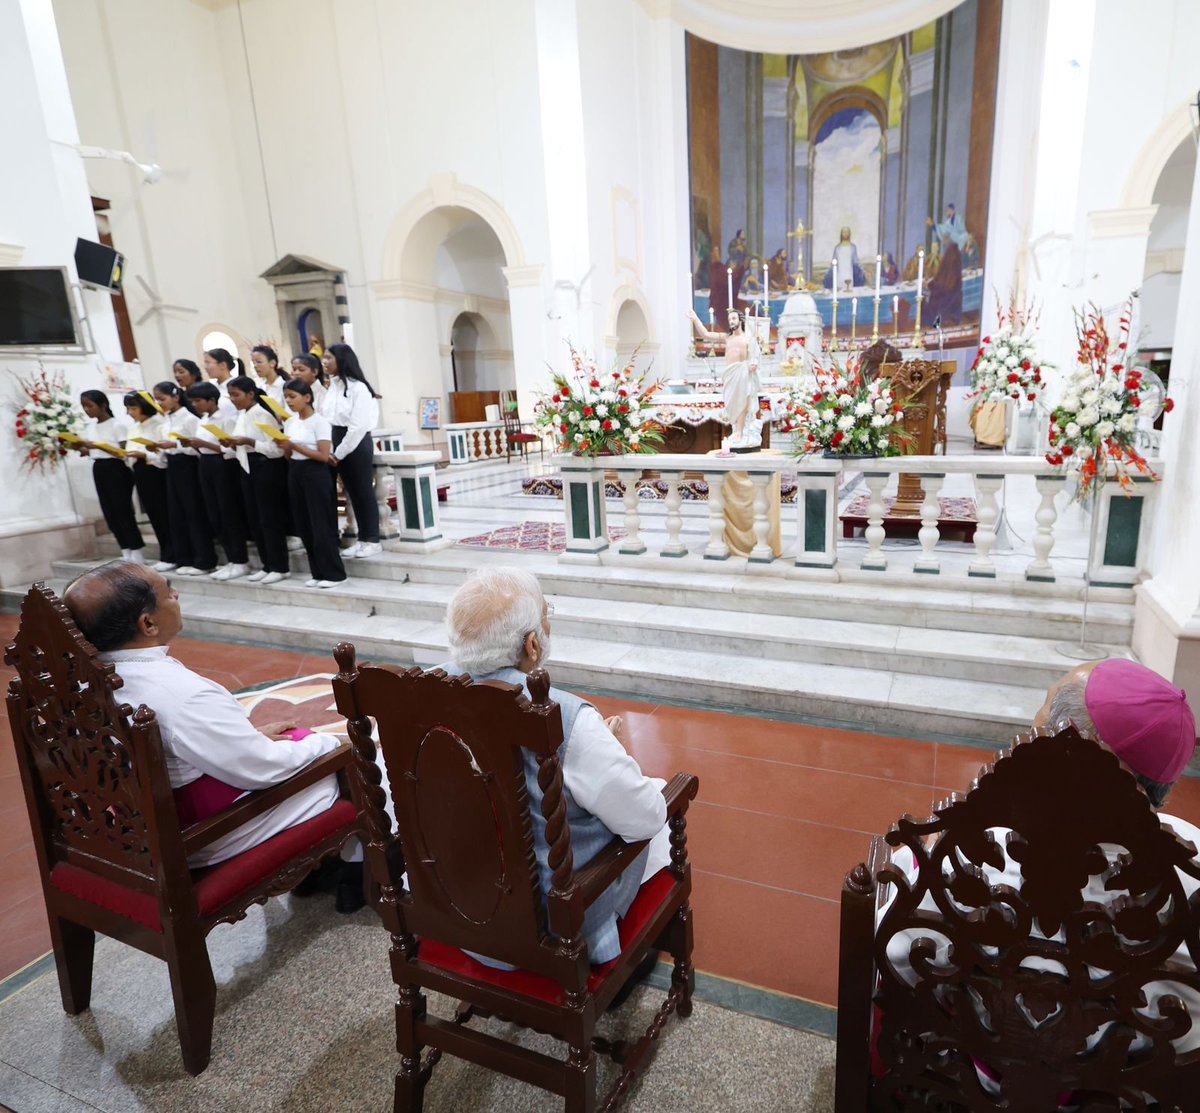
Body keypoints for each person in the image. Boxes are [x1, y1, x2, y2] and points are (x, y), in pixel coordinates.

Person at [880, 659, 1200, 1079]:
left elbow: (889, 958)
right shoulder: (1190, 867)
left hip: (962, 1084)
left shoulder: (965, 848)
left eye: (1040, 721)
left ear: (1060, 745)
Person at [61, 561, 353, 878]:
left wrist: (246, 736)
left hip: (147, 824)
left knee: (292, 738)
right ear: (148, 624)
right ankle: (355, 876)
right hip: (208, 835)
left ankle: (321, 873)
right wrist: (327, 744)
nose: (177, 594)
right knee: (357, 760)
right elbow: (261, 768)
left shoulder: (88, 680)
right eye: (168, 593)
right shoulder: (180, 694)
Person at [440, 567, 669, 969]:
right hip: (551, 931)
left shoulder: (421, 696)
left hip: (462, 911)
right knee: (659, 799)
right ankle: (616, 955)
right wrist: (608, 751)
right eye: (547, 614)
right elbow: (644, 819)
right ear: (532, 645)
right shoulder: (565, 720)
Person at [278, 378, 345, 588]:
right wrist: (285, 447)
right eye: (286, 397)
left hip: (315, 472)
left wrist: (294, 446)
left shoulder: (320, 422)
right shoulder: (290, 422)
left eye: (293, 396)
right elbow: (289, 455)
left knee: (320, 523)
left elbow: (324, 456)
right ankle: (317, 572)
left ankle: (333, 573)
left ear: (307, 398)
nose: (289, 401)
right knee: (304, 522)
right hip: (295, 471)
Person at [183, 382, 252, 581]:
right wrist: (194, 445)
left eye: (198, 401)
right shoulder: (202, 419)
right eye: (192, 401)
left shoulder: (226, 418)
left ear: (211, 400)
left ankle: (240, 560)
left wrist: (203, 444)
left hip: (223, 465)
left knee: (229, 512)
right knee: (215, 514)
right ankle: (230, 559)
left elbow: (230, 449)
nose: (195, 405)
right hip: (205, 464)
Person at [319, 343, 381, 558]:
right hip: (334, 439)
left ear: (342, 360)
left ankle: (371, 539)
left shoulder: (358, 388)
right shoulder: (332, 387)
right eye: (324, 358)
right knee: (350, 495)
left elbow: (358, 426)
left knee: (362, 491)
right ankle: (360, 539)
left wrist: (339, 452)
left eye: (329, 358)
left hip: (355, 443)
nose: (324, 362)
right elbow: (327, 419)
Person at [227, 375, 290, 584]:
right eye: (230, 396)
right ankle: (267, 564)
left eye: (236, 395)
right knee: (255, 519)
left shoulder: (263, 415)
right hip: (246, 467)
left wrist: (248, 441)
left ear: (251, 394)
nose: (233, 399)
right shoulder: (243, 414)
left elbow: (275, 449)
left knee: (269, 519)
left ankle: (280, 566)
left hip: (265, 467)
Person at [152, 381, 218, 577]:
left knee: (194, 513)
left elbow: (196, 448)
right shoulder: (166, 420)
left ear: (176, 397)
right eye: (157, 400)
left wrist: (174, 445)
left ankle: (204, 559)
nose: (160, 403)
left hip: (188, 466)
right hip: (172, 466)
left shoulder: (190, 418)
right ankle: (184, 557)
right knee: (177, 513)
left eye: (162, 399)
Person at [75, 390, 144, 564]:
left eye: (90, 405)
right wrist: (81, 447)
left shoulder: (116, 425)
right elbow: (92, 450)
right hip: (99, 467)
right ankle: (125, 549)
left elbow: (122, 452)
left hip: (116, 468)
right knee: (109, 511)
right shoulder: (90, 427)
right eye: (84, 406)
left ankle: (136, 551)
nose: (87, 410)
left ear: (103, 405)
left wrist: (98, 445)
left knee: (122, 510)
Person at [687, 306, 761, 448]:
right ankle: (736, 430)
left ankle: (739, 432)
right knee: (732, 403)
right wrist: (695, 319)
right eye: (729, 319)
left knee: (742, 402)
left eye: (733, 318)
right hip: (730, 375)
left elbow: (755, 356)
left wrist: (754, 364)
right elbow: (706, 334)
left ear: (740, 320)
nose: (731, 321)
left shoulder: (748, 339)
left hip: (743, 373)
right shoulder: (727, 337)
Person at [123, 390, 175, 571]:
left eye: (133, 407)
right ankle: (165, 552)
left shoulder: (158, 424)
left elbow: (162, 453)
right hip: (140, 471)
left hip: (156, 472)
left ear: (144, 406)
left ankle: (171, 553)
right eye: (128, 408)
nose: (130, 412)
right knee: (153, 514)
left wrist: (144, 453)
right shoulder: (134, 428)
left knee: (163, 513)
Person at [824, 226, 866, 290]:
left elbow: (856, 262)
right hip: (839, 275)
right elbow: (833, 263)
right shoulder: (837, 248)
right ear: (841, 233)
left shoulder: (853, 247)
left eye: (847, 232)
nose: (845, 233)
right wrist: (826, 273)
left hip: (849, 274)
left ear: (849, 233)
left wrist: (864, 271)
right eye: (844, 232)